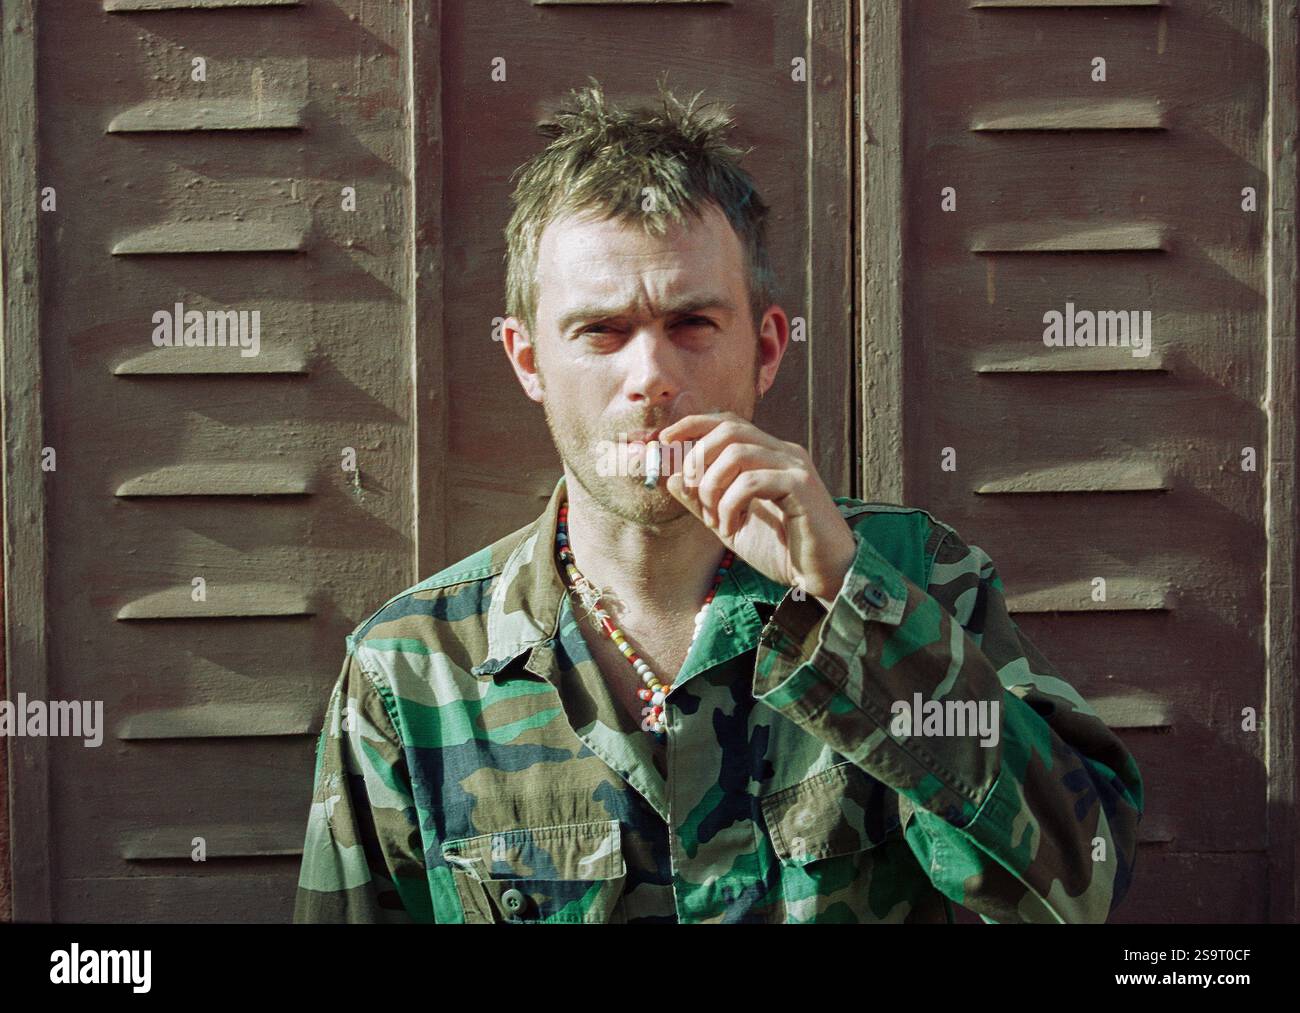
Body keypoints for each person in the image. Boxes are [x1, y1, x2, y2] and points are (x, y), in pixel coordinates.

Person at [292, 77, 1144, 924]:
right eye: (601, 331)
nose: (652, 378)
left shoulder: (918, 575)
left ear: (765, 349)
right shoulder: (412, 671)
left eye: (692, 323)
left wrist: (854, 603)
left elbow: (1079, 884)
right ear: (527, 361)